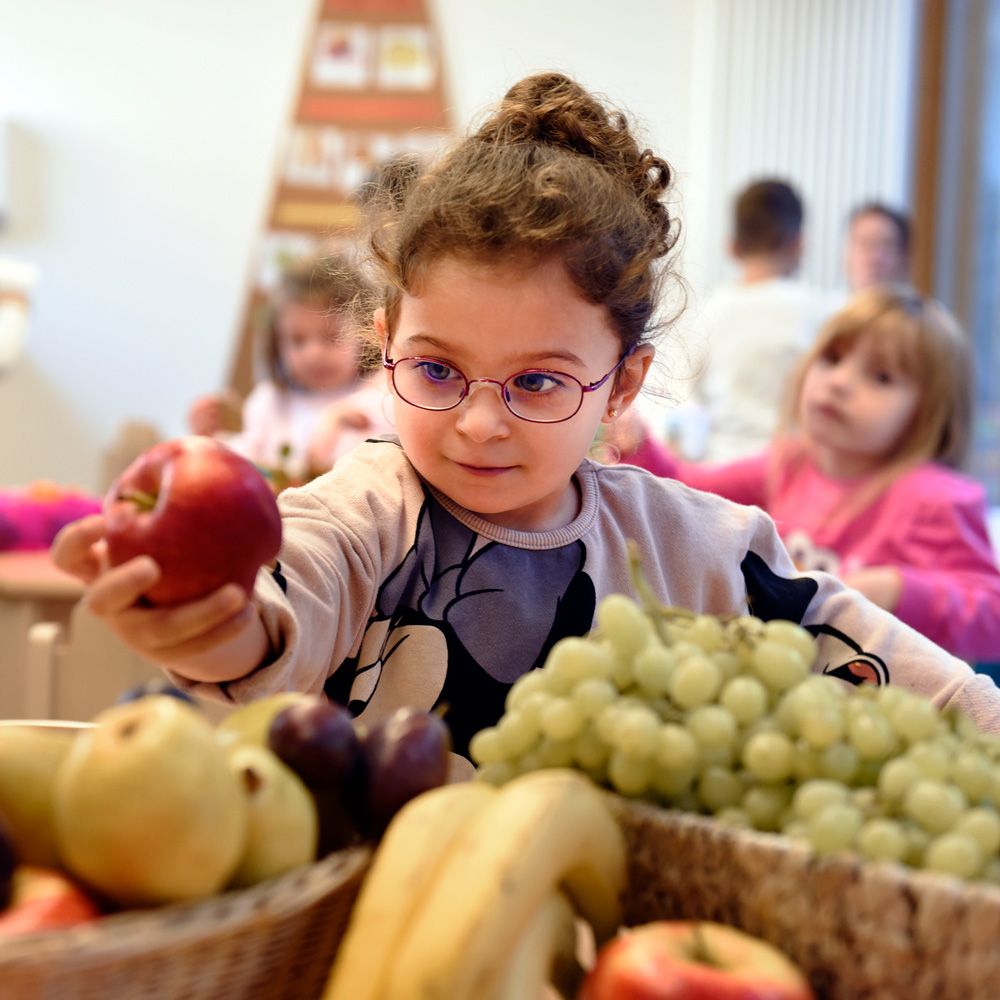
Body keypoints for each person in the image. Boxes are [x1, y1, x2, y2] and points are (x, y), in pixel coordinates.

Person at [51, 74, 1000, 766]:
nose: (476, 424)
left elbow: (874, 653)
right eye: (435, 370)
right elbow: (290, 586)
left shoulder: (690, 545)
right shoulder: (374, 503)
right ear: (384, 344)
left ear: (623, 388)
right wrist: (213, 631)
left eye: (537, 385)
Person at [621, 285, 1000, 665]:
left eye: (881, 377)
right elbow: (688, 497)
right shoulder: (789, 463)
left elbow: (992, 618)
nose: (838, 382)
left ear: (929, 412)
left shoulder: (936, 499)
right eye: (832, 358)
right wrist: (636, 442)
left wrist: (898, 590)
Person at [187, 251, 392, 486]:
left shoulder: (379, 394)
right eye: (297, 340)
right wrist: (210, 441)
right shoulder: (270, 400)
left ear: (366, 335)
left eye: (331, 337)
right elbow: (243, 462)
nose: (313, 354)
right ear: (277, 343)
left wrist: (336, 418)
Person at [678, 179, 836, 462]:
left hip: (719, 476)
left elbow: (687, 409)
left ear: (732, 246)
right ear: (798, 244)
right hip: (794, 471)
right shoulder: (821, 313)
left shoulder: (708, 314)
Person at [844, 202, 911, 292]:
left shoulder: (928, 306)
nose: (875, 258)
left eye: (886, 246)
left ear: (904, 257)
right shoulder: (835, 306)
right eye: (864, 243)